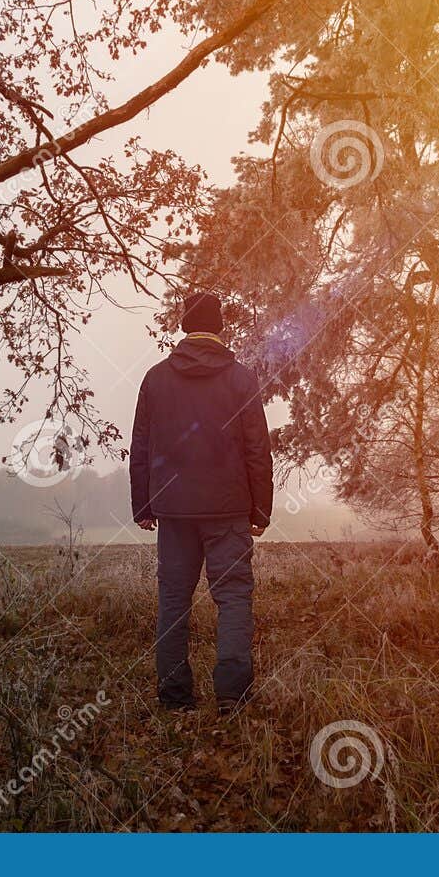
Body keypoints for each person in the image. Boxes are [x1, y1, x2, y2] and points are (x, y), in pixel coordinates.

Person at [130, 291, 272, 712]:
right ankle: (232, 694)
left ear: (182, 326)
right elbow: (257, 449)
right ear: (221, 327)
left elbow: (140, 446)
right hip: (228, 509)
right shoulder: (241, 379)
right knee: (232, 598)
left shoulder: (155, 379)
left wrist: (143, 504)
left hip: (173, 509)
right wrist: (260, 509)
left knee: (173, 599)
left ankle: (175, 697)